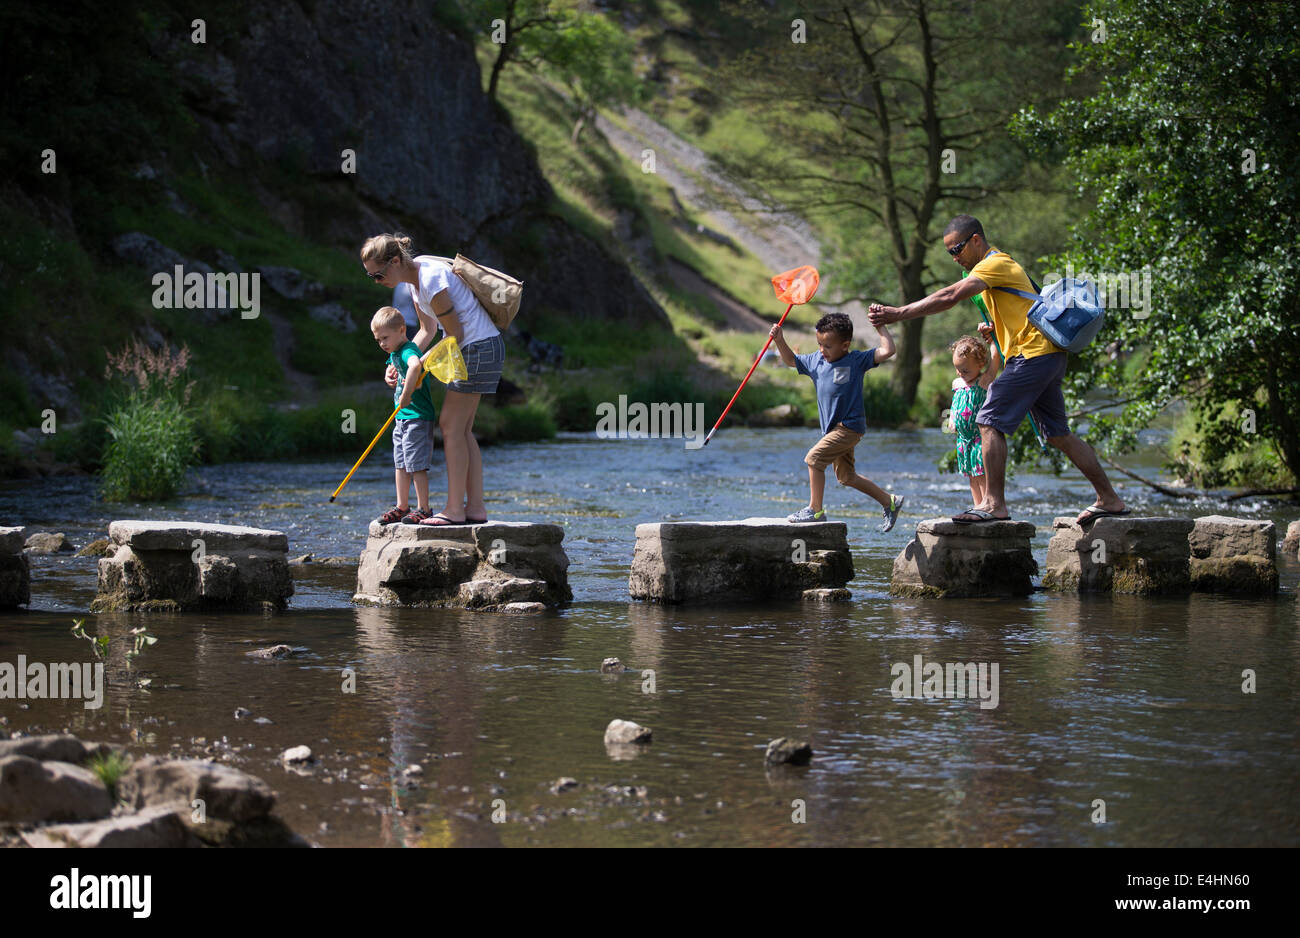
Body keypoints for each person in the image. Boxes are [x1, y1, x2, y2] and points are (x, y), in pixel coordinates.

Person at [868, 214, 1127, 524]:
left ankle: (993, 504)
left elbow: (949, 296)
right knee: (1059, 435)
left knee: (988, 420)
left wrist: (898, 313)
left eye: (957, 249)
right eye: (950, 252)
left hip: (1032, 356)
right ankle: (1109, 499)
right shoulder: (995, 270)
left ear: (976, 240)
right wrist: (994, 332)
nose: (955, 258)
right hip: (1046, 356)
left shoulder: (995, 262)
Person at [361, 233, 505, 526]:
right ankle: (474, 508)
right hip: (478, 348)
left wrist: (417, 368)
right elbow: (427, 330)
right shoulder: (415, 282)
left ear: (397, 261)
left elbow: (455, 334)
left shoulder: (428, 279)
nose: (376, 281)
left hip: (477, 348)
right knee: (462, 429)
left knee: (451, 426)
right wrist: (401, 361)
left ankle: (454, 510)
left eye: (378, 274)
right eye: (371, 276)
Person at [769, 312, 905, 532]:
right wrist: (779, 340)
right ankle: (890, 501)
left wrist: (880, 326)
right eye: (819, 344)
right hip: (832, 430)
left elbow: (888, 350)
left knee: (814, 459)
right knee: (846, 476)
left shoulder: (856, 360)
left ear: (845, 345)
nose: (822, 350)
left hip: (849, 427)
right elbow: (791, 360)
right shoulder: (815, 360)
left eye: (828, 346)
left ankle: (816, 510)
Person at [370, 306, 437, 525]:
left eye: (385, 338)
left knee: (416, 464)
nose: (382, 344)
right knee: (400, 463)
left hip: (417, 415)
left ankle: (424, 509)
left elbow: (415, 365)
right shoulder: (394, 353)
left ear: (401, 330)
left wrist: (406, 395)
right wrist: (388, 376)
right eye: (378, 340)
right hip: (402, 417)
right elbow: (393, 370)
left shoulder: (408, 350)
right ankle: (402, 506)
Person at [948, 334, 1001, 511]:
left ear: (980, 365)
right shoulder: (957, 383)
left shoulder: (983, 381)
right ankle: (977, 506)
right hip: (963, 438)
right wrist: (952, 418)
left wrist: (993, 342)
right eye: (957, 369)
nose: (960, 374)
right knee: (970, 474)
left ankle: (989, 504)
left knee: (982, 472)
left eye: (965, 370)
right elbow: (955, 403)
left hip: (979, 437)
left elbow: (995, 362)